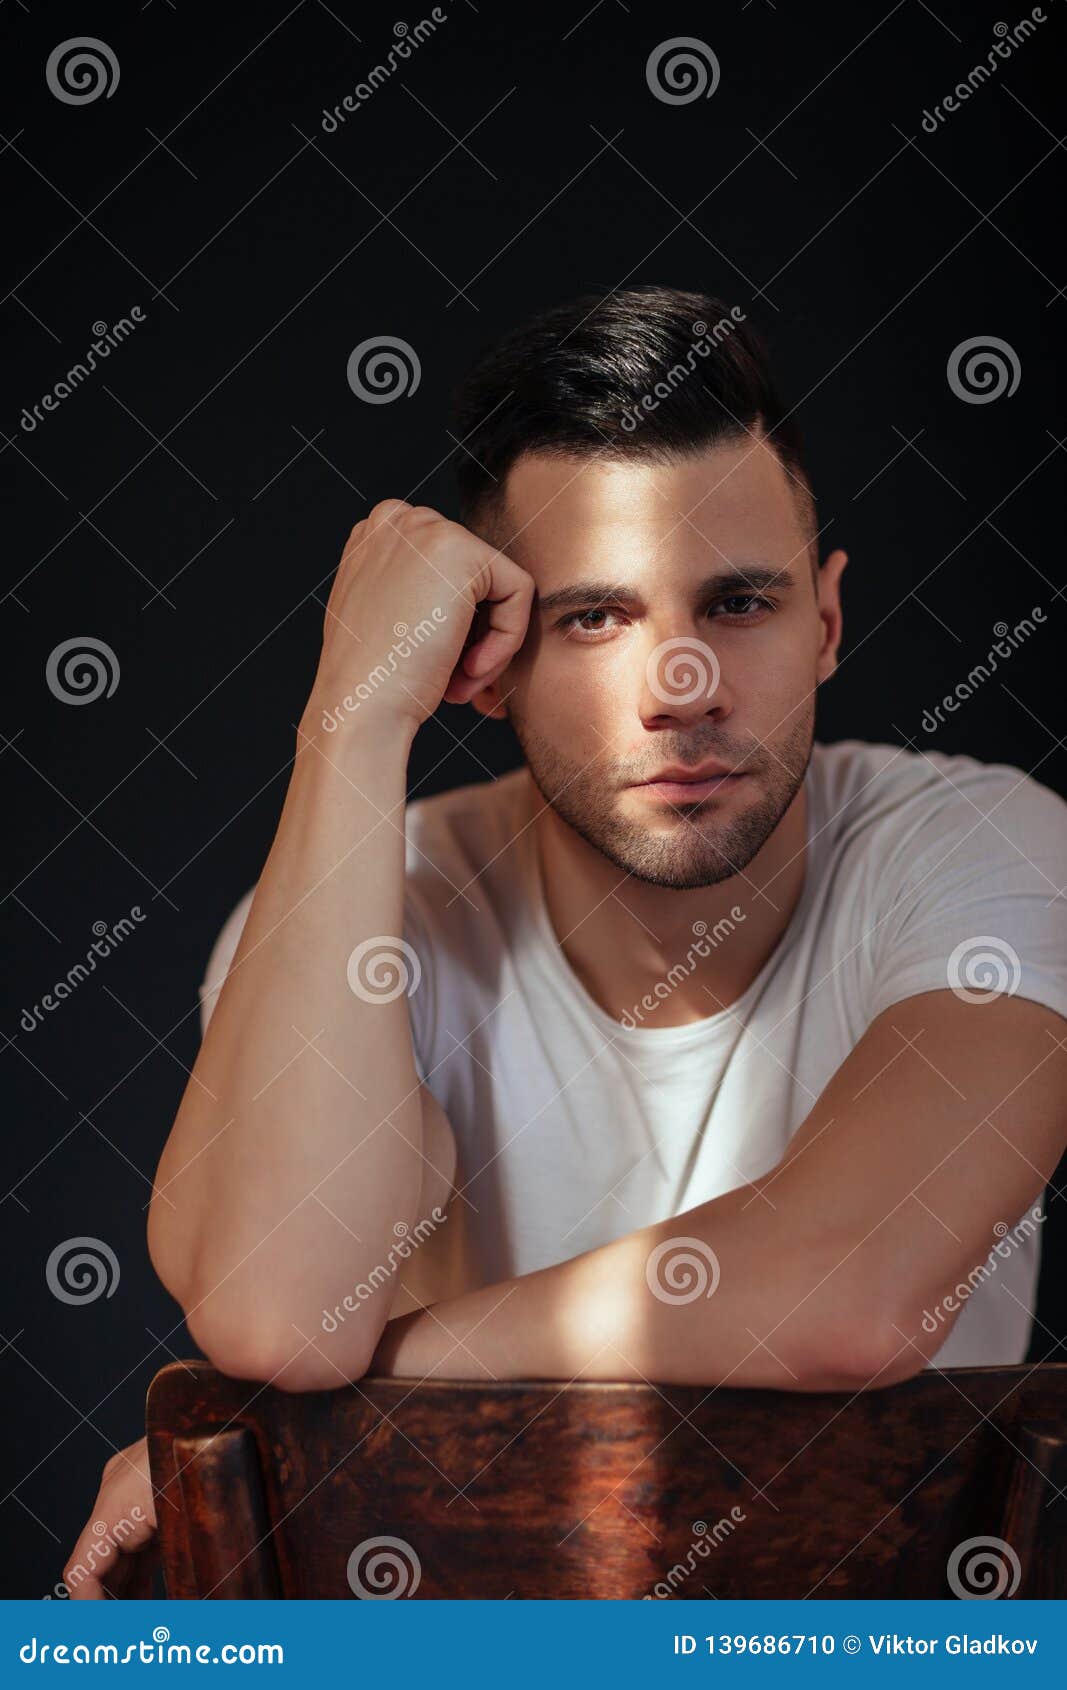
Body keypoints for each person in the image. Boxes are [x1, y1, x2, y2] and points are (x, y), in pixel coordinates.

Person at [65, 285, 1067, 1597]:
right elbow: (271, 1305)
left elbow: (851, 1289)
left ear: (825, 622)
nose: (682, 688)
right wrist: (353, 721)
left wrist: (303, 1411)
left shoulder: (988, 848)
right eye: (595, 617)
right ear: (489, 664)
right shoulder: (369, 909)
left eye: (738, 606)